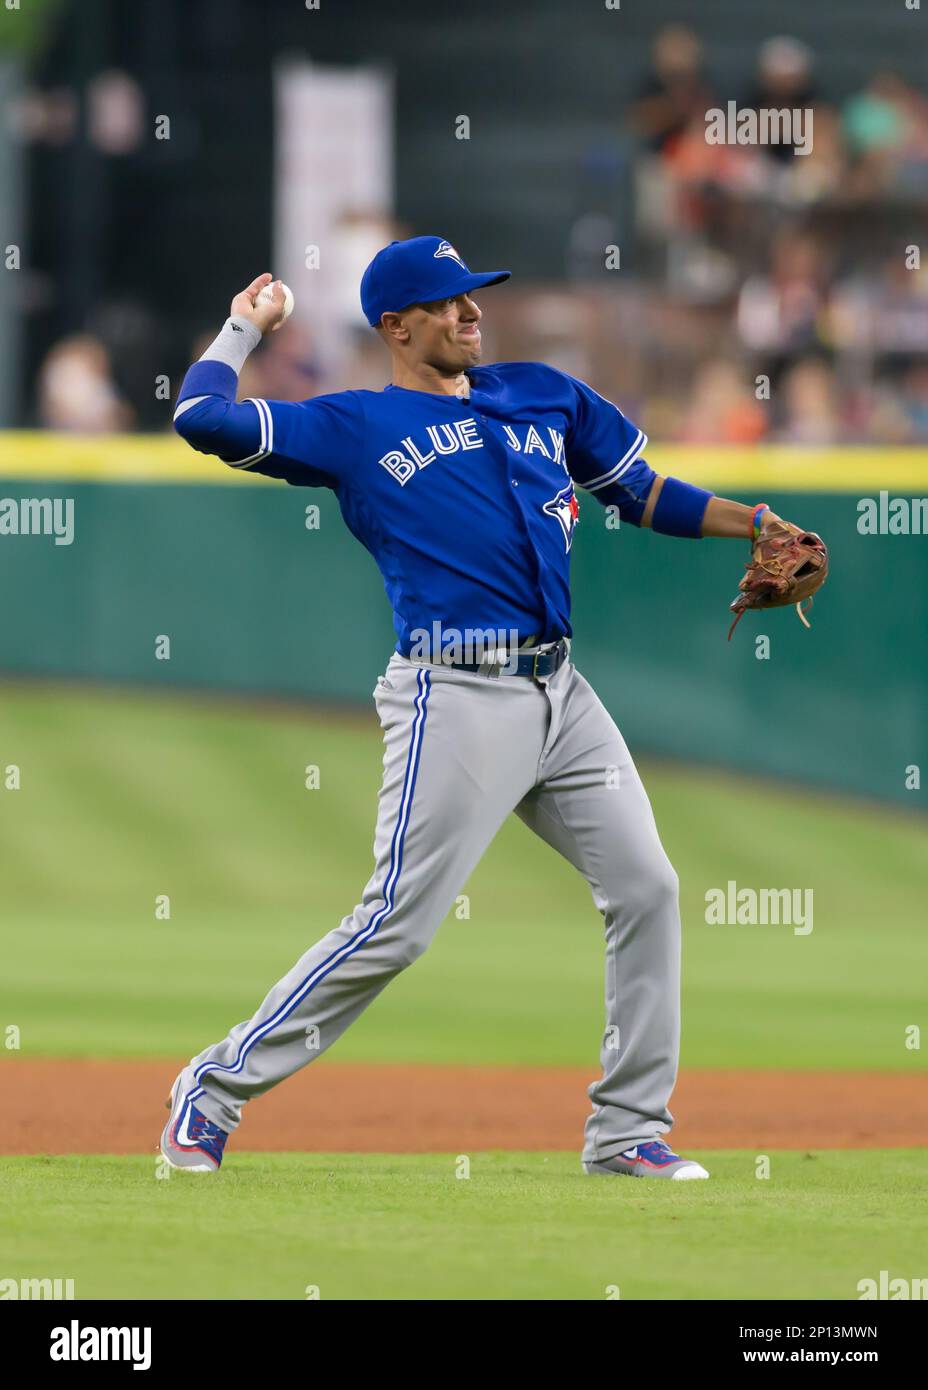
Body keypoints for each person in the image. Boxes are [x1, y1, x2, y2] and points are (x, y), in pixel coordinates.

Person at [163, 235, 807, 1180]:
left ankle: (628, 1131)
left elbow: (639, 491)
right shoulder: (355, 425)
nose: (472, 313)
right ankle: (211, 1090)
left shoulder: (539, 393)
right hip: (454, 694)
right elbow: (201, 417)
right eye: (450, 302)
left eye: (474, 298)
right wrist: (239, 328)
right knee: (397, 925)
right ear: (397, 325)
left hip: (563, 692)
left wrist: (749, 523)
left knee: (648, 888)